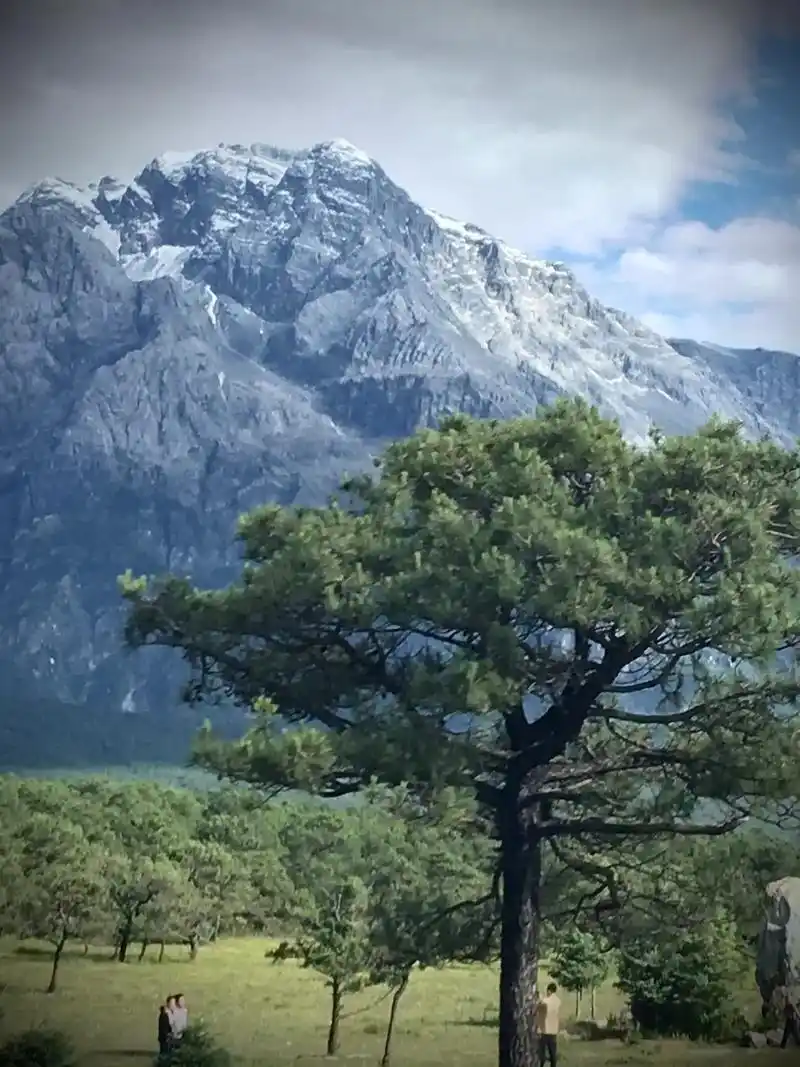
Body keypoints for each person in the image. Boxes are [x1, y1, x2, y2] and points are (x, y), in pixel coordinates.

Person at [535, 981, 561, 1067]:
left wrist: (538, 996)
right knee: (552, 1053)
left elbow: (541, 1003)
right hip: (553, 1031)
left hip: (544, 1031)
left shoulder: (546, 1001)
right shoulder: (557, 1001)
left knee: (541, 1054)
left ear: (549, 990)